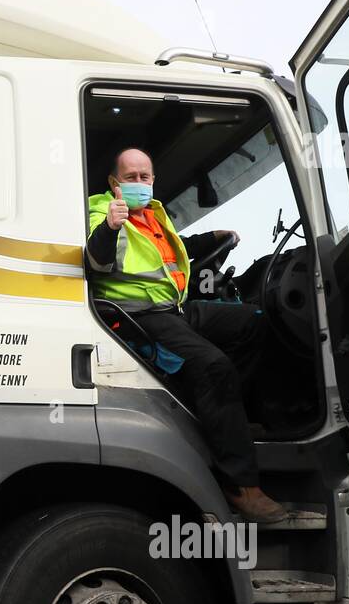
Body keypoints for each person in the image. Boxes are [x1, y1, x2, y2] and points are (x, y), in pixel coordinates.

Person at [87, 147, 286, 523]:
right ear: (115, 183)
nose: (140, 184)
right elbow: (97, 260)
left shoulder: (153, 216)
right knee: (214, 365)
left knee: (256, 321)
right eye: (131, 178)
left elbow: (169, 254)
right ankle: (240, 484)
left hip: (175, 309)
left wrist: (212, 236)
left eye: (145, 177)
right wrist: (110, 225)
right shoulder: (102, 212)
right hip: (139, 315)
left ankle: (223, 415)